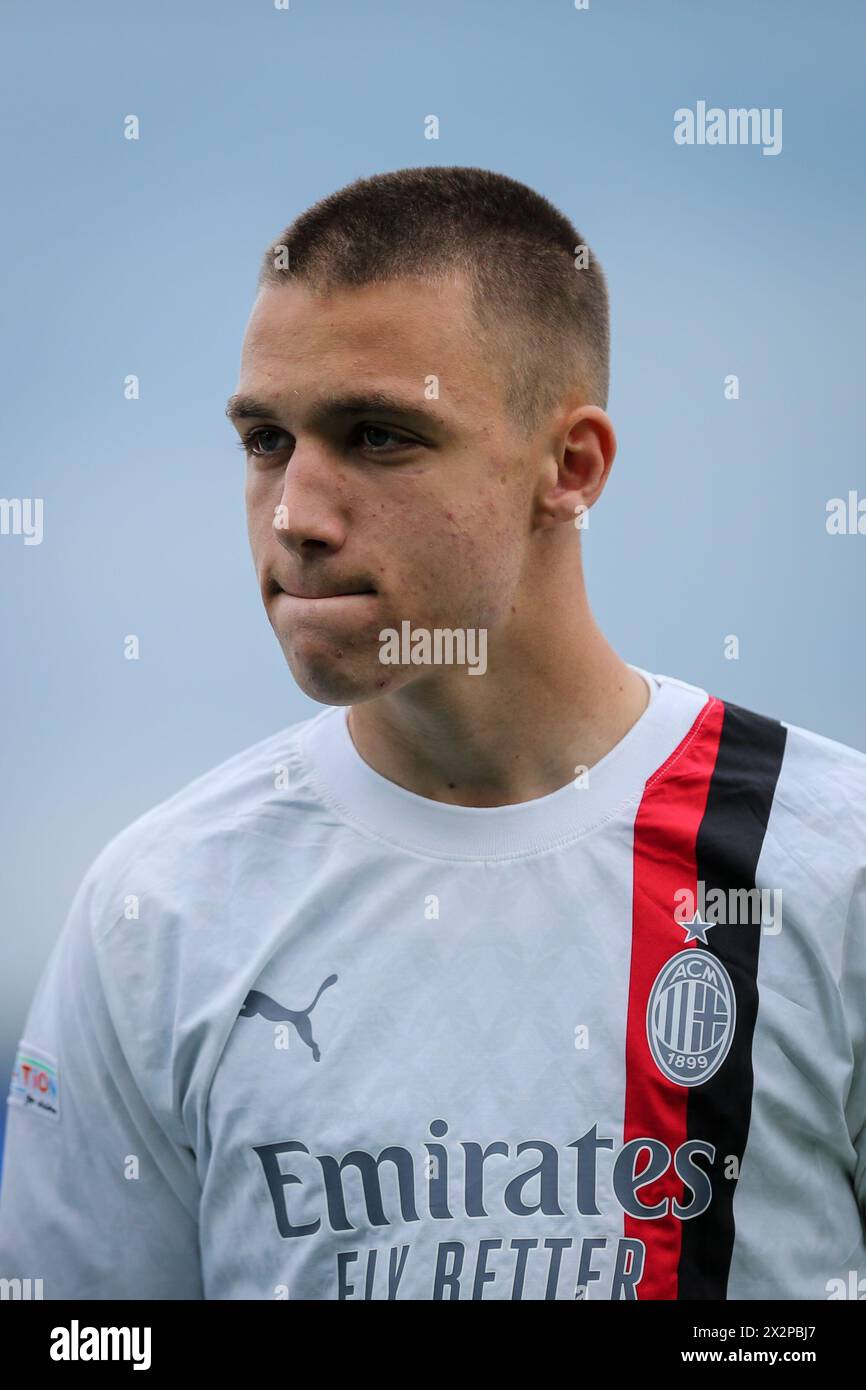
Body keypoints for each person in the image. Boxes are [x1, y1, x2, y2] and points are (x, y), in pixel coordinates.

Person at [1, 166, 864, 1301]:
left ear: (570, 468)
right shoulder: (157, 910)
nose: (296, 517)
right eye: (266, 440)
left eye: (375, 435)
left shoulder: (825, 865)